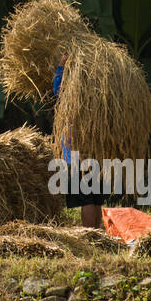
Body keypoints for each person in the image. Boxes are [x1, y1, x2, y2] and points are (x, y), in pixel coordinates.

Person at [54, 53, 105, 229]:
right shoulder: (98, 97)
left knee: (87, 197)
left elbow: (58, 90)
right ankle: (97, 234)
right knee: (95, 196)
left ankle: (90, 236)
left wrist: (61, 67)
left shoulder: (73, 98)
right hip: (95, 153)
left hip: (77, 156)